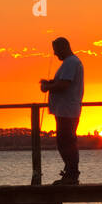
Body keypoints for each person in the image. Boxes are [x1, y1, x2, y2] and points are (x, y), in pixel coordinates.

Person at [39, 37, 85, 185]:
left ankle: (71, 175)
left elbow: (64, 85)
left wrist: (47, 87)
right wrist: (51, 83)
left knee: (66, 143)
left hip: (67, 110)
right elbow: (63, 82)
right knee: (66, 142)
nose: (55, 54)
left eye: (56, 50)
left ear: (64, 47)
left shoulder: (70, 62)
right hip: (66, 110)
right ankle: (70, 174)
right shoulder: (71, 62)